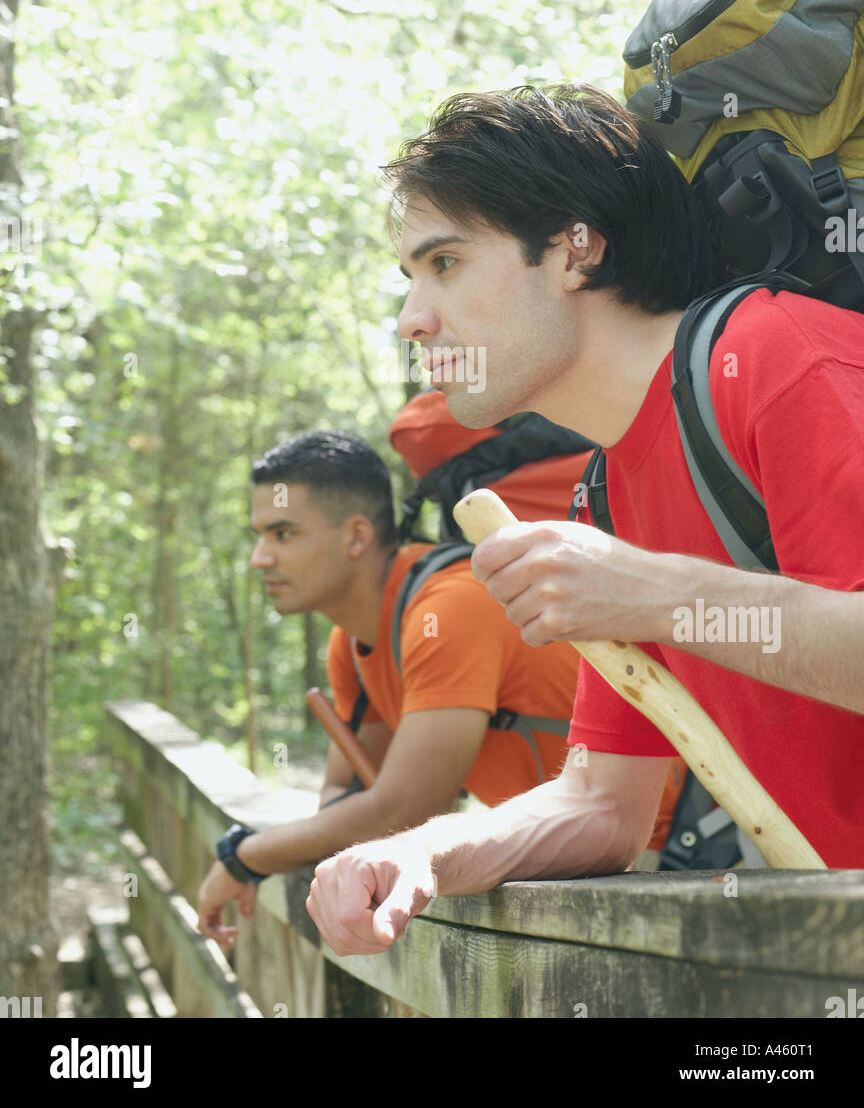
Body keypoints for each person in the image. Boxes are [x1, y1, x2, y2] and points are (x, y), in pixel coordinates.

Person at [306, 83, 864, 958]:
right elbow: (603, 806)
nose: (413, 320)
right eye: (410, 279)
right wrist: (420, 851)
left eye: (444, 263)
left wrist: (657, 596)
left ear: (577, 251)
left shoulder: (777, 360)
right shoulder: (607, 489)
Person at [197, 428, 630, 947]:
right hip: (564, 860)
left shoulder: (446, 610)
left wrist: (245, 856)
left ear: (356, 537)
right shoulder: (353, 643)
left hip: (652, 852)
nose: (259, 559)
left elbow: (400, 809)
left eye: (282, 534)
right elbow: (349, 800)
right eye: (259, 536)